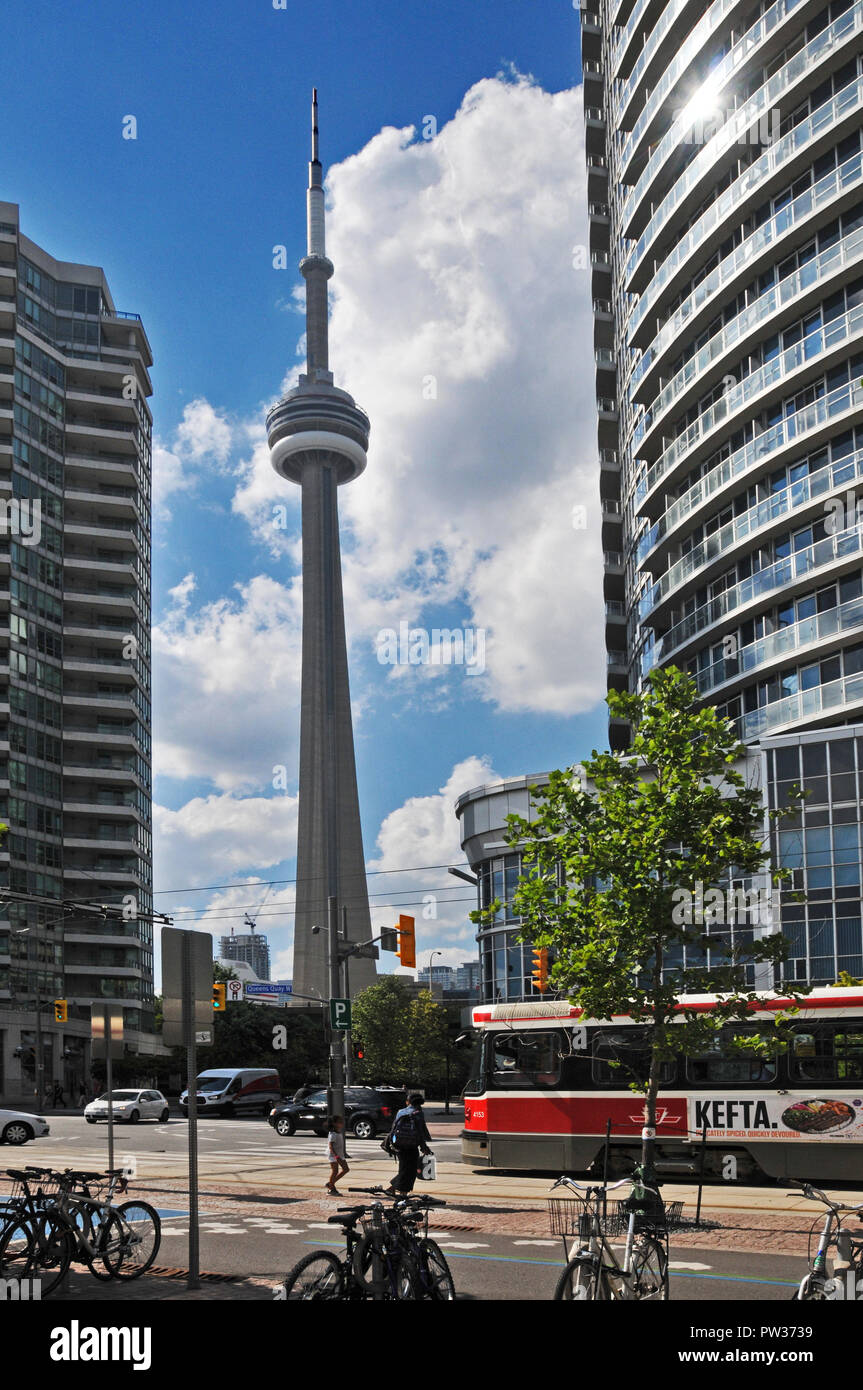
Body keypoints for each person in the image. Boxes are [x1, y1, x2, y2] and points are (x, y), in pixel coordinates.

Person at [383, 1093, 433, 1196]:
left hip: (399, 1146)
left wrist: (393, 1144)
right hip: (412, 1146)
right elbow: (420, 1132)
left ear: (408, 1102)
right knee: (410, 1172)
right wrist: (424, 1147)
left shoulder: (401, 1112)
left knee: (405, 1169)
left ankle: (393, 1189)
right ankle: (402, 1195)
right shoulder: (418, 1113)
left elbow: (393, 1129)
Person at [326, 1115, 349, 1195]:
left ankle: (330, 1184)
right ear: (334, 1124)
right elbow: (331, 1146)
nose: (342, 1123)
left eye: (342, 1122)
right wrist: (336, 1156)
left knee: (346, 1169)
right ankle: (331, 1188)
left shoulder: (338, 1132)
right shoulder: (333, 1134)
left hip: (340, 1154)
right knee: (335, 1171)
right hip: (333, 1155)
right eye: (339, 1122)